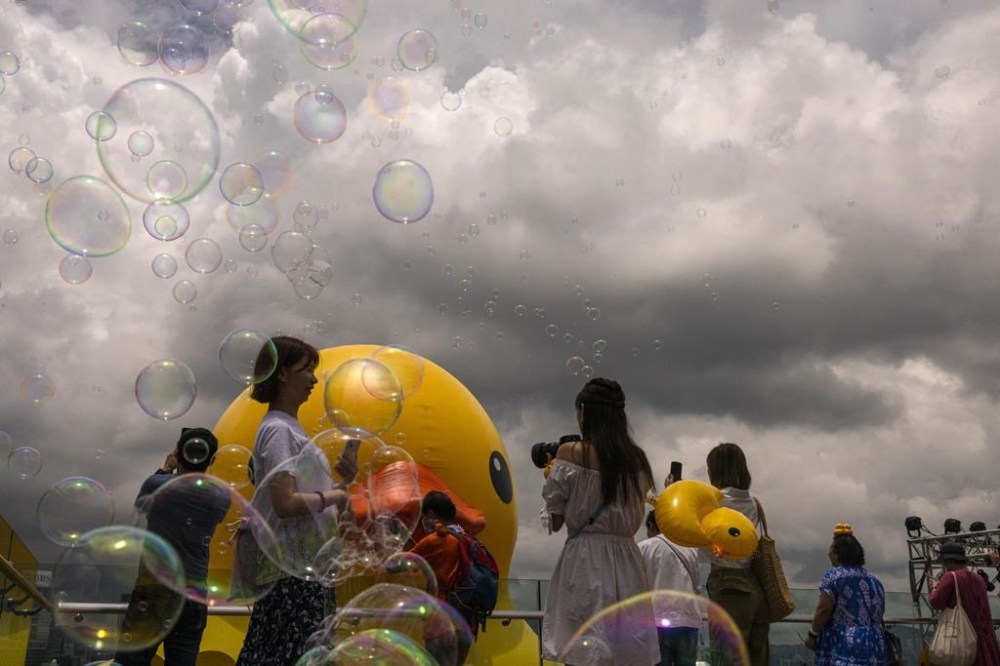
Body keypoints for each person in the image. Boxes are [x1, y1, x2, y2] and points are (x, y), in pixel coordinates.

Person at [237, 336, 356, 666]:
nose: (314, 380)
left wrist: (344, 480)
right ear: (283, 374)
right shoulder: (279, 430)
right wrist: (339, 494)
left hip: (303, 569)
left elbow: (311, 507)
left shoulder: (290, 428)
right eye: (308, 370)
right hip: (292, 574)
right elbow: (285, 503)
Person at [541, 377, 659, 665]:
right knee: (627, 650)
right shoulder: (638, 461)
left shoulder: (571, 453)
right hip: (628, 562)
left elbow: (555, 520)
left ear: (584, 411)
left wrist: (552, 474)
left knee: (585, 647)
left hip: (585, 561)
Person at [115, 428, 231, 666]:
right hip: (194, 594)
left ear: (178, 454)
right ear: (212, 459)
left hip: (154, 590)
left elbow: (142, 506)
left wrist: (167, 468)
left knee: (131, 661)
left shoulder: (157, 484)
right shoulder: (220, 496)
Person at [703, 442, 768, 665]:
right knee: (753, 653)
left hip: (726, 583)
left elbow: (702, 546)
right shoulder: (754, 504)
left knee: (725, 654)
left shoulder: (713, 502)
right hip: (754, 584)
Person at [803, 524, 886, 665]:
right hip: (875, 643)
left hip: (845, 644)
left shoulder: (834, 576)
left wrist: (812, 635)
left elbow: (824, 608)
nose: (828, 555)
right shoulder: (874, 580)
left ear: (837, 554)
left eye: (830, 550)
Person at [410, 490, 474, 665]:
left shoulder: (435, 539)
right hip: (464, 626)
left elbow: (395, 565)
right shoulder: (464, 539)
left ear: (430, 514)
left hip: (440, 628)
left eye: (423, 516)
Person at [637, 509, 702, 666]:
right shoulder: (690, 549)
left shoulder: (643, 548)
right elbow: (697, 586)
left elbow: (635, 587)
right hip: (688, 621)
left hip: (656, 622)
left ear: (651, 526)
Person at [929, 541, 1000, 665]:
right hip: (983, 637)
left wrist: (935, 588)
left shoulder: (950, 576)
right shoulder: (978, 578)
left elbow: (936, 602)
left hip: (962, 637)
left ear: (948, 560)